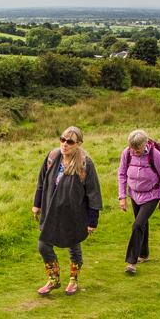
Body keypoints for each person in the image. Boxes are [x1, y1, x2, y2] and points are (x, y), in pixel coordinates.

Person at [33, 126, 100, 296]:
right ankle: (54, 278)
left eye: (70, 142)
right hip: (51, 210)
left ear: (78, 144)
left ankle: (73, 280)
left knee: (73, 246)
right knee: (43, 245)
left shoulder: (85, 164)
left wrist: (92, 221)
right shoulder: (52, 157)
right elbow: (41, 182)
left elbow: (93, 193)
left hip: (74, 213)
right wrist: (37, 204)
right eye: (62, 139)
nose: (65, 144)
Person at [117, 129, 160, 276]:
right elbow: (121, 174)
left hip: (152, 195)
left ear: (145, 144)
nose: (135, 151)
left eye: (138, 149)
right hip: (134, 194)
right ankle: (144, 254)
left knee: (138, 224)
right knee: (142, 224)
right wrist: (122, 196)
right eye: (132, 148)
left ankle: (132, 262)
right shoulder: (127, 153)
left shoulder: (155, 155)